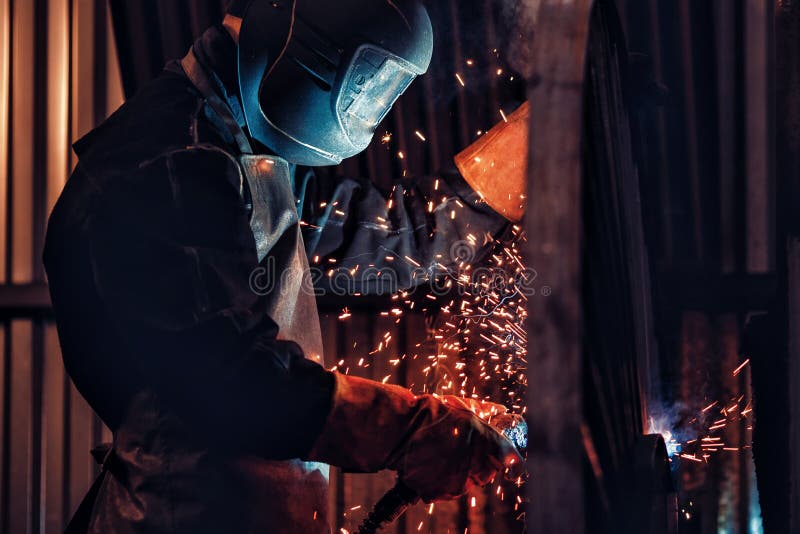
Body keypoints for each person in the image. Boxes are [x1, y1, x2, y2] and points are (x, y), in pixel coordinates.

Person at [43, 0, 529, 532]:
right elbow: (228, 378)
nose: (367, 107)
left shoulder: (239, 145)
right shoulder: (169, 162)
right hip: (182, 515)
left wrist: (532, 142)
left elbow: (392, 236)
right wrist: (407, 429)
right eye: (365, 85)